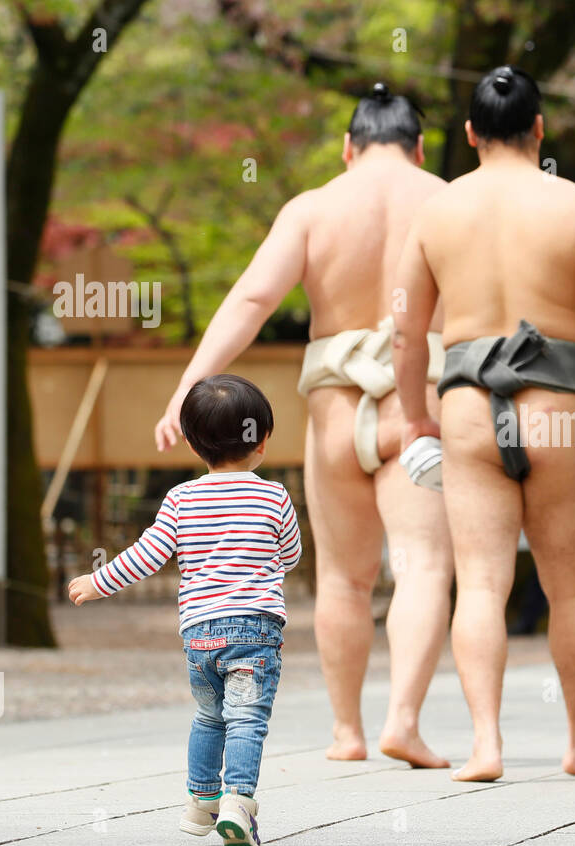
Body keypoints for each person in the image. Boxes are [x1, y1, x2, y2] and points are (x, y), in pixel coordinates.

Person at [153, 84, 455, 769]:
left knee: (343, 579)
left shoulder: (314, 208)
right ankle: (402, 721)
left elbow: (255, 298)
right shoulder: (448, 200)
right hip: (420, 406)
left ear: (349, 148)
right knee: (423, 566)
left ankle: (347, 732)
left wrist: (187, 384)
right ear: (420, 145)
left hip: (336, 409)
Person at [394, 65, 575, 782]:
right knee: (571, 587)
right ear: (538, 129)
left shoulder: (435, 213)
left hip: (468, 408)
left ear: (472, 133)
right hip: (559, 410)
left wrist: (416, 416)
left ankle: (486, 745)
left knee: (480, 584)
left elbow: (404, 332)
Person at [70, 375, 301, 846]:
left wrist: (98, 582)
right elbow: (291, 554)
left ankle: (201, 803)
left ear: (196, 446)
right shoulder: (274, 497)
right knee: (246, 719)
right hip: (254, 629)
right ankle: (238, 803)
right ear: (260, 442)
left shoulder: (181, 499)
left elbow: (147, 554)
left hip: (199, 634)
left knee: (208, 714)